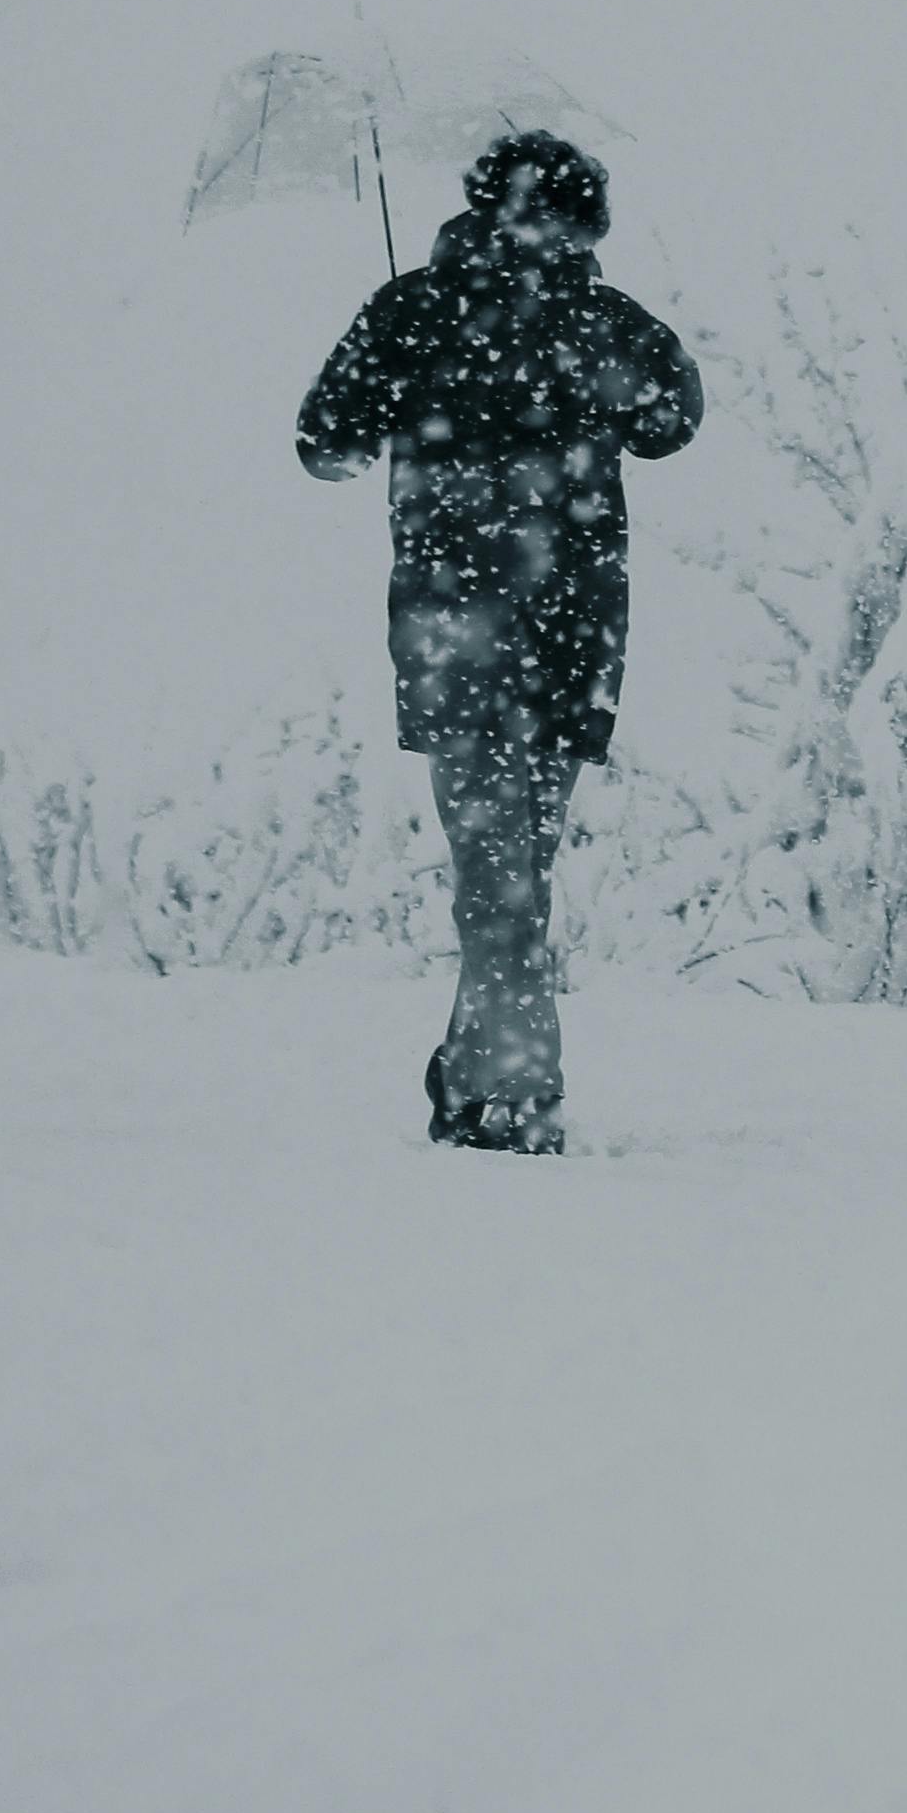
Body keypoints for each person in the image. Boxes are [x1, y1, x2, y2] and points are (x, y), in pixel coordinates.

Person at [297, 129, 700, 1151]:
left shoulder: (414, 310)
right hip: (569, 633)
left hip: (456, 626)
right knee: (514, 869)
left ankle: (495, 1080)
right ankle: (500, 1083)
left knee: (499, 870)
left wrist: (403, 364)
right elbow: (673, 420)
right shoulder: (604, 324)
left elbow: (324, 444)